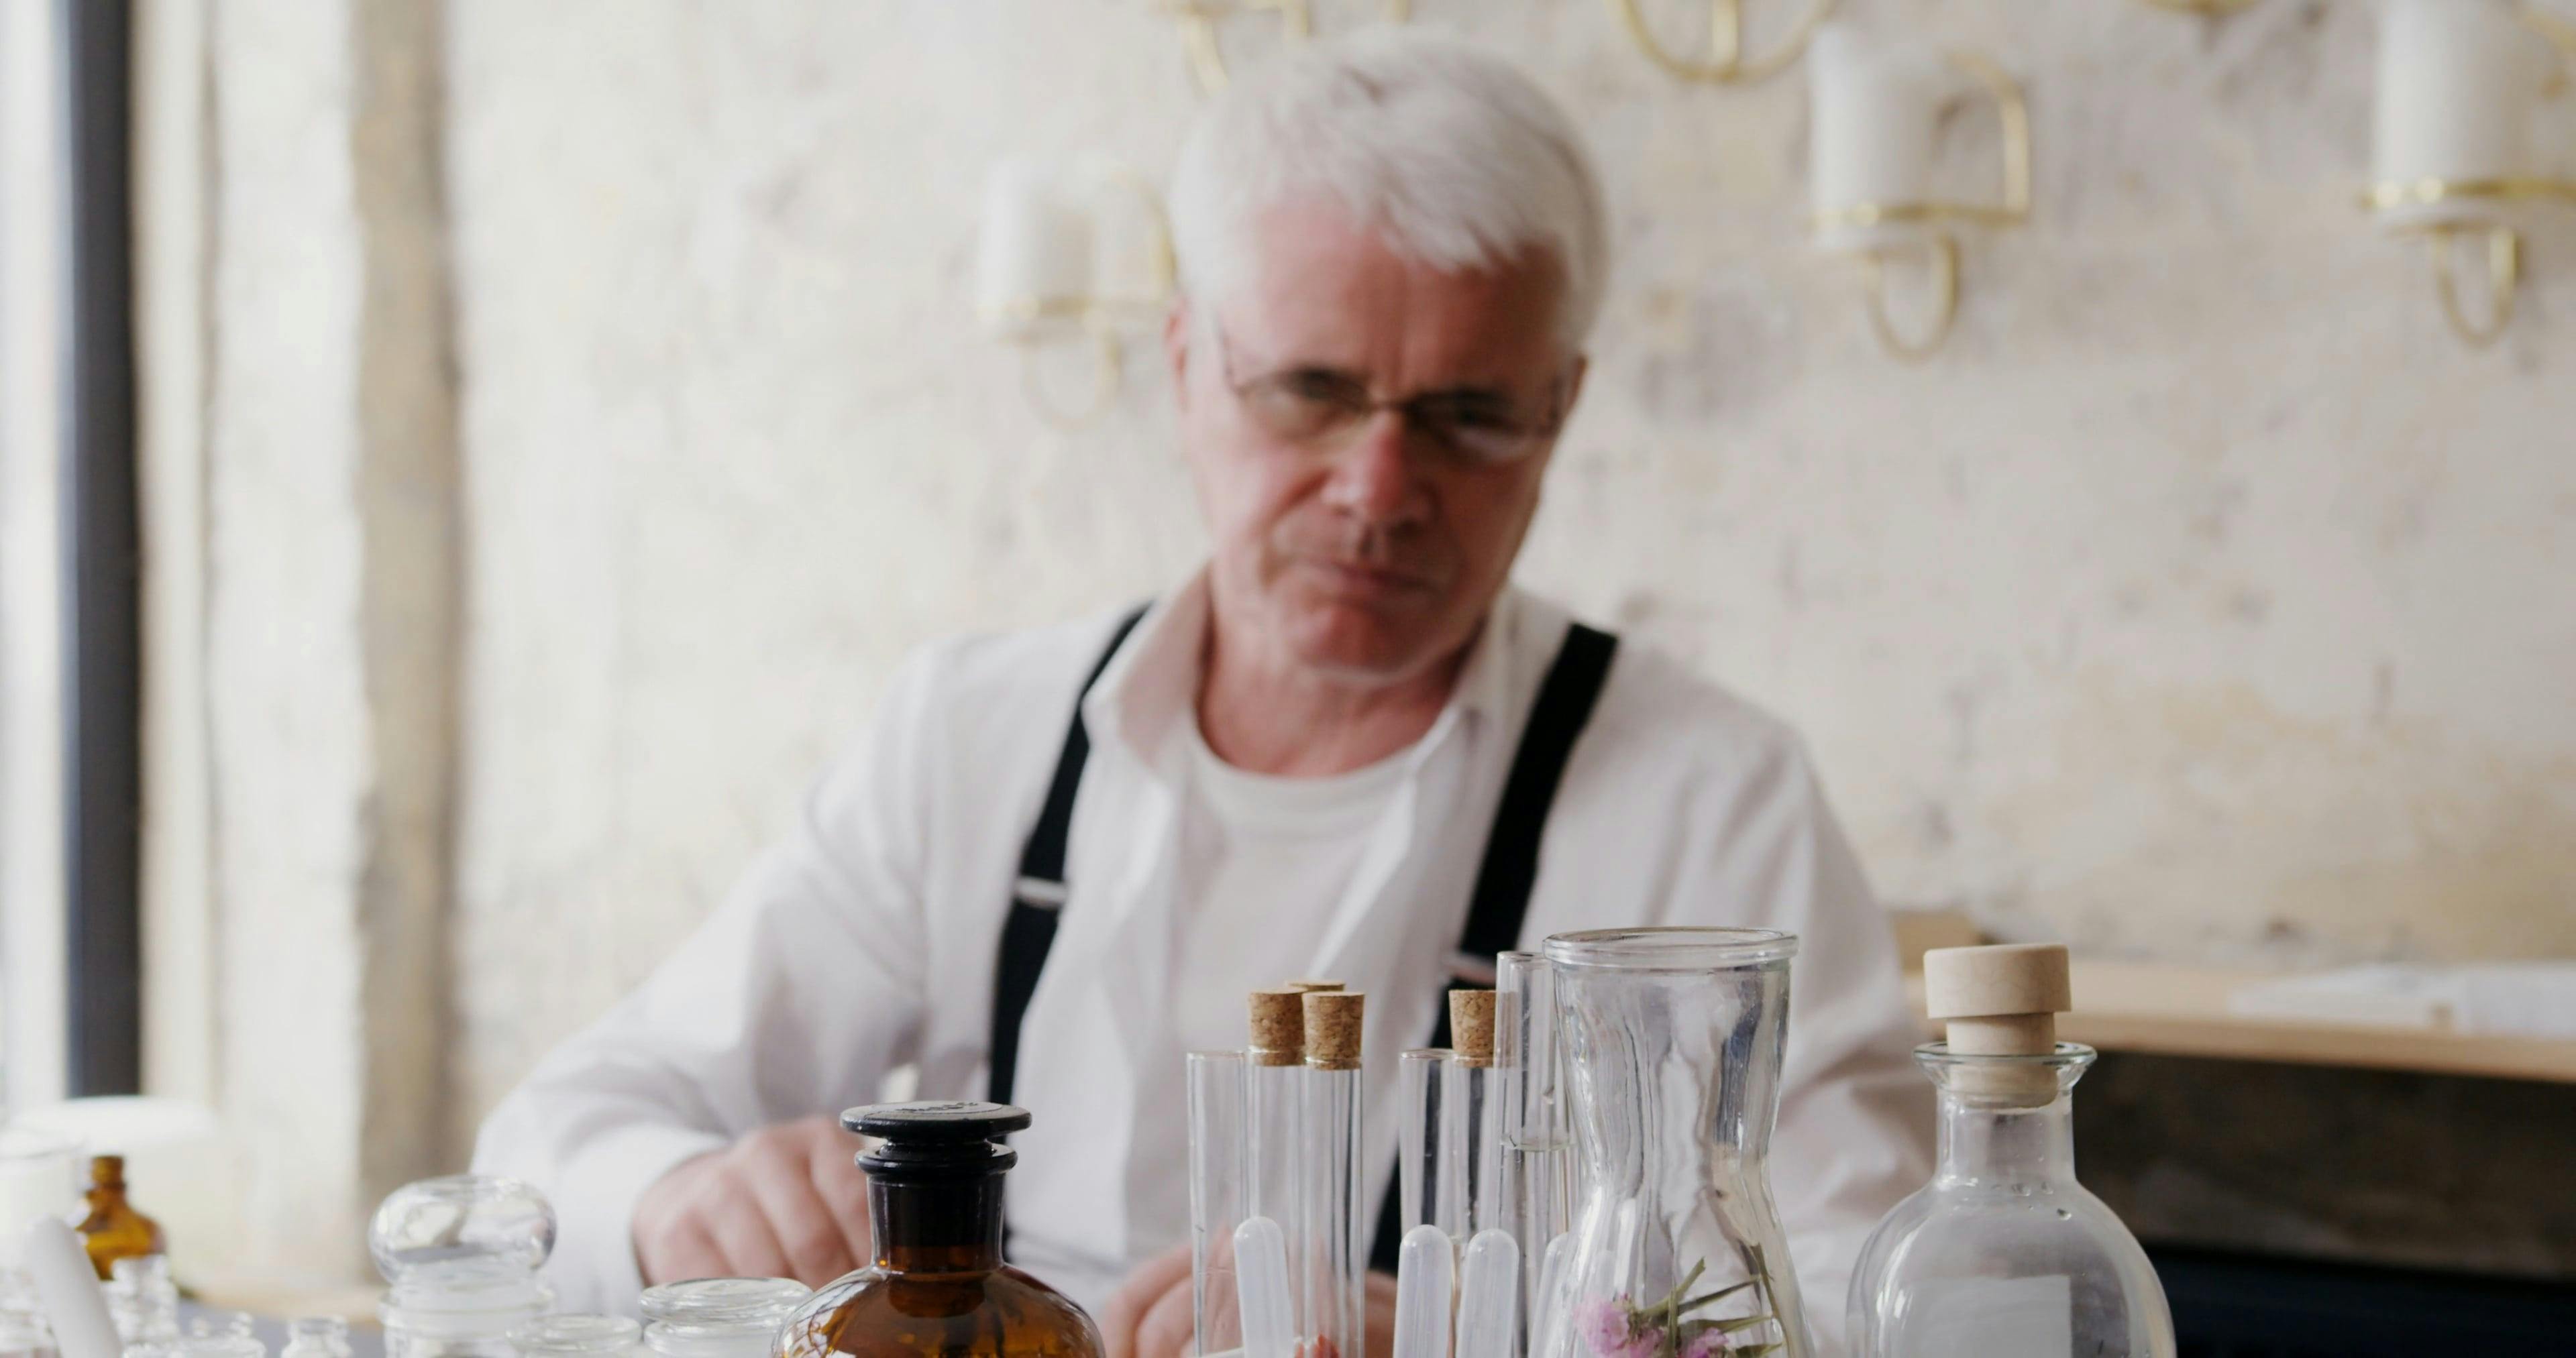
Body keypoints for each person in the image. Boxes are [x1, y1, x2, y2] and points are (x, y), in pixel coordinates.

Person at [471, 28, 1929, 1358]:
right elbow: (549, 1144)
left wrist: (1477, 1335)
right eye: (1311, 389)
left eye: (1470, 414)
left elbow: (1871, 1287)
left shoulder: (1713, 798)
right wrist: (674, 1200)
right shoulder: (971, 734)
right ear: (1185, 365)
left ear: (1560, 412)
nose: (1379, 488)